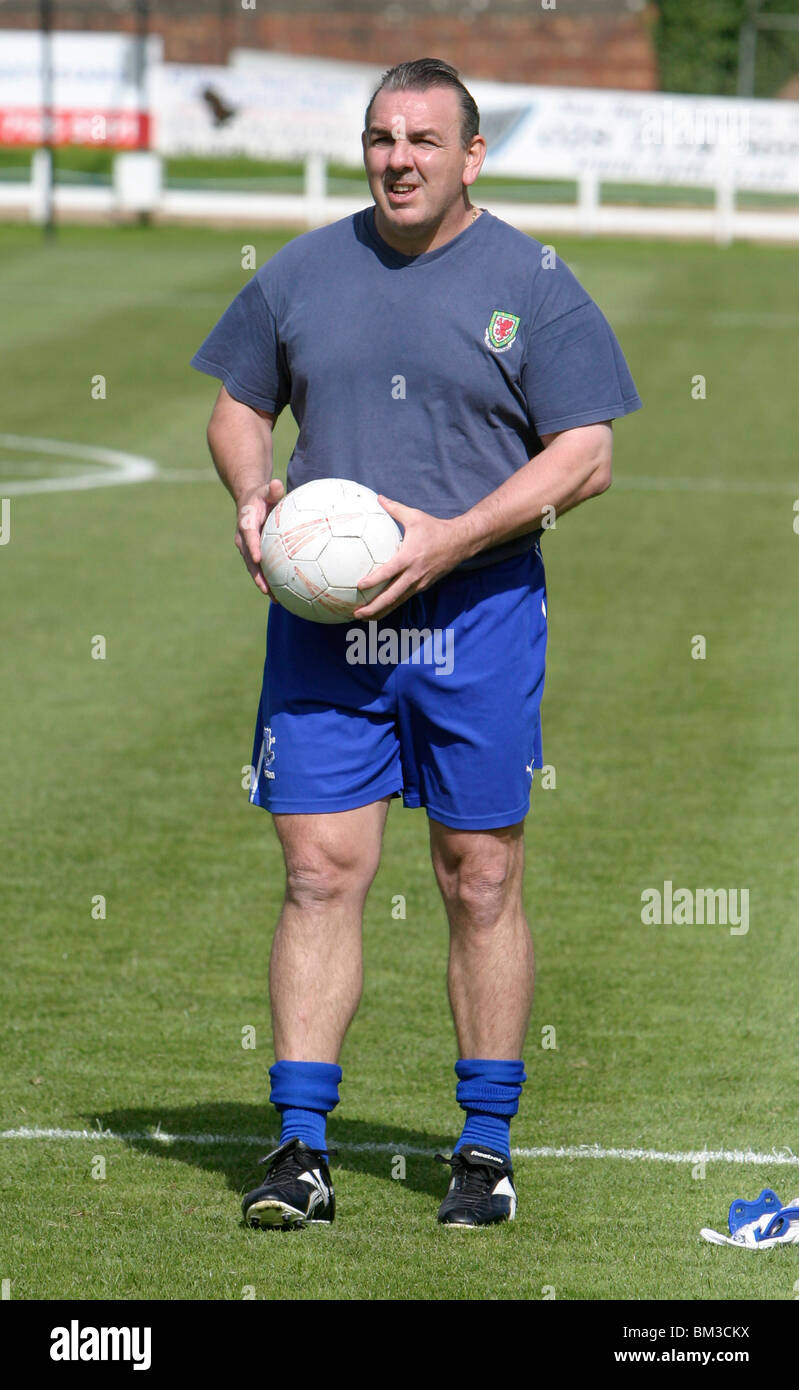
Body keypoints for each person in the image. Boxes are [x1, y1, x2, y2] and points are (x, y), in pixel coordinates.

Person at [191, 57, 642, 1229]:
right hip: (327, 634)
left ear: (470, 156)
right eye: (381, 137)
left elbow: (584, 453)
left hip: (476, 617)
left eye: (423, 140)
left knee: (479, 876)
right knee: (315, 872)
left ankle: (482, 1152)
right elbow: (236, 404)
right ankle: (298, 1152)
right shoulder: (302, 271)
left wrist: (451, 540)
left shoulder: (531, 282)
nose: (397, 158)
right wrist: (252, 491)